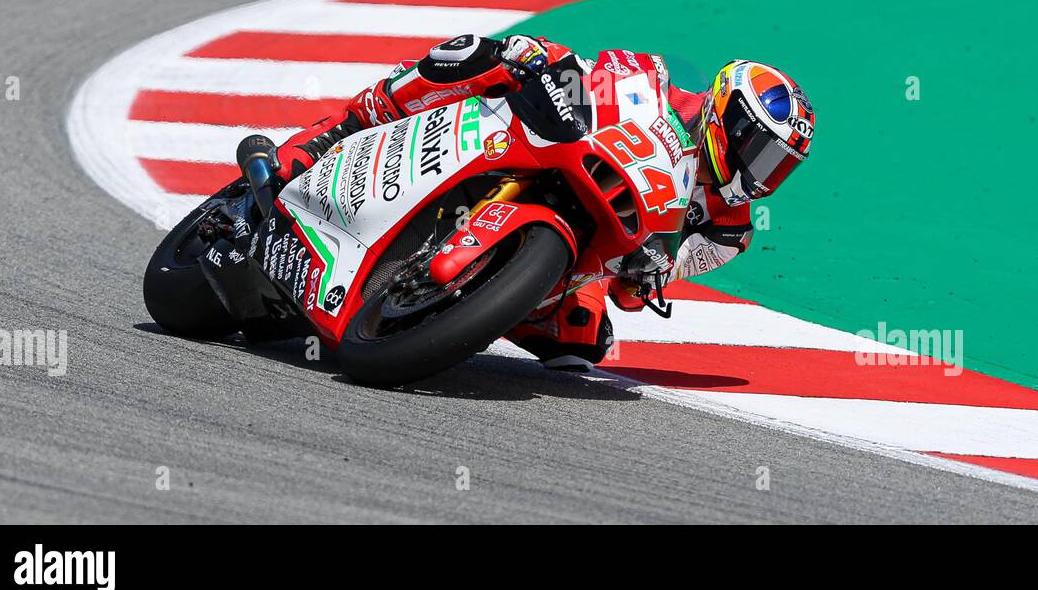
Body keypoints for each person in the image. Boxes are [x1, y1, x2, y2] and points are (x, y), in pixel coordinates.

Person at [272, 33, 816, 370]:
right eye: (760, 150)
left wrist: (649, 274)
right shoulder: (663, 82)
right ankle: (342, 127)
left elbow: (633, 294)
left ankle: (459, 304)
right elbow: (595, 73)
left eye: (778, 166)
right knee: (494, 57)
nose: (761, 170)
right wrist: (547, 64)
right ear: (728, 116)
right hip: (575, 152)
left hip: (592, 246)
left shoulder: (728, 232)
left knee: (583, 343)